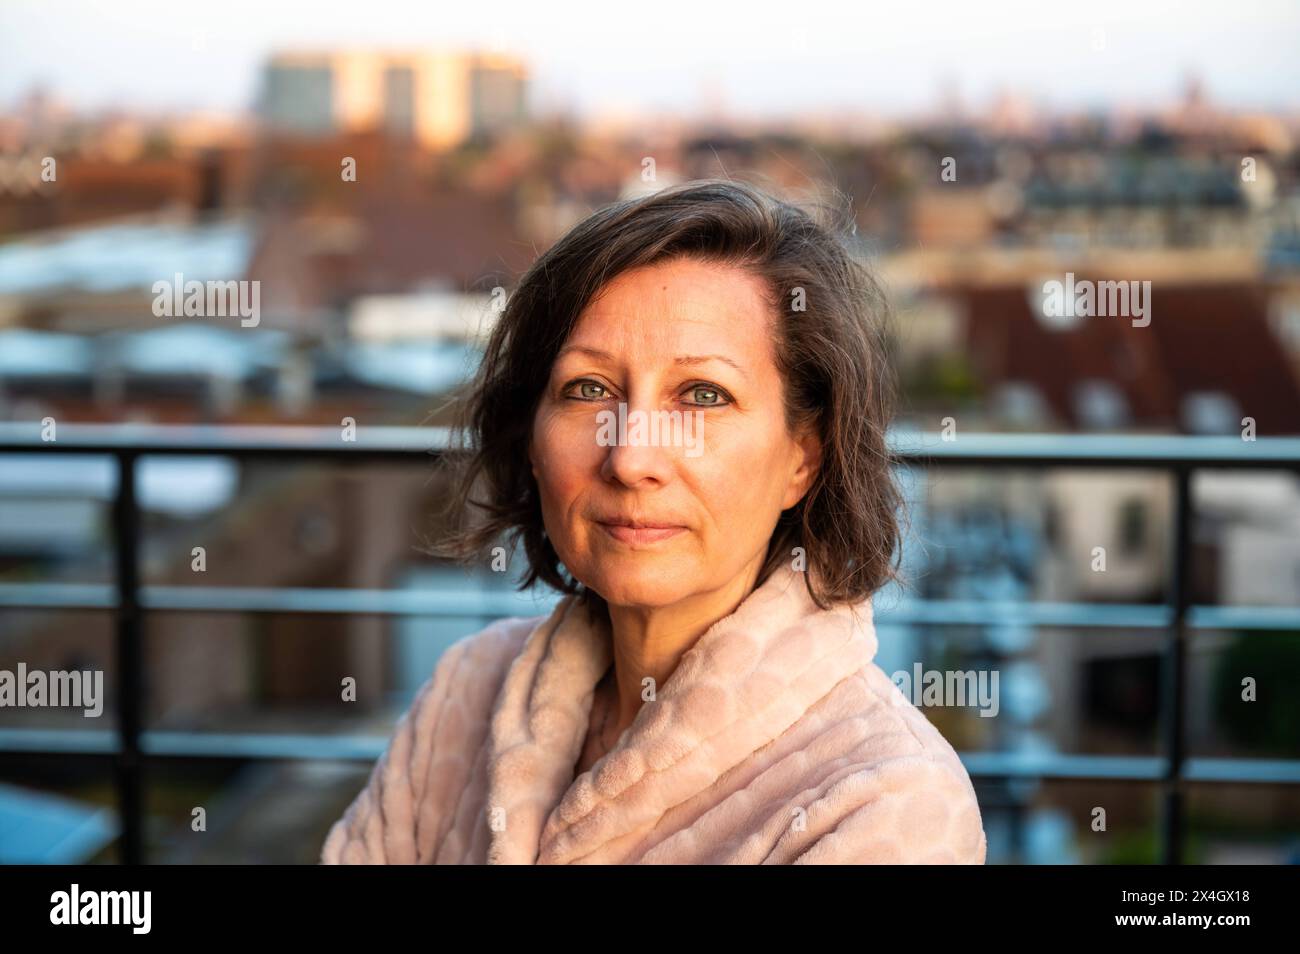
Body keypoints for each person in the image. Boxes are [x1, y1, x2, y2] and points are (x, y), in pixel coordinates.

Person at [320, 178, 986, 864]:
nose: (631, 457)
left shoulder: (889, 805)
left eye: (703, 396)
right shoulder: (467, 689)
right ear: (531, 432)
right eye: (588, 389)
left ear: (803, 458)